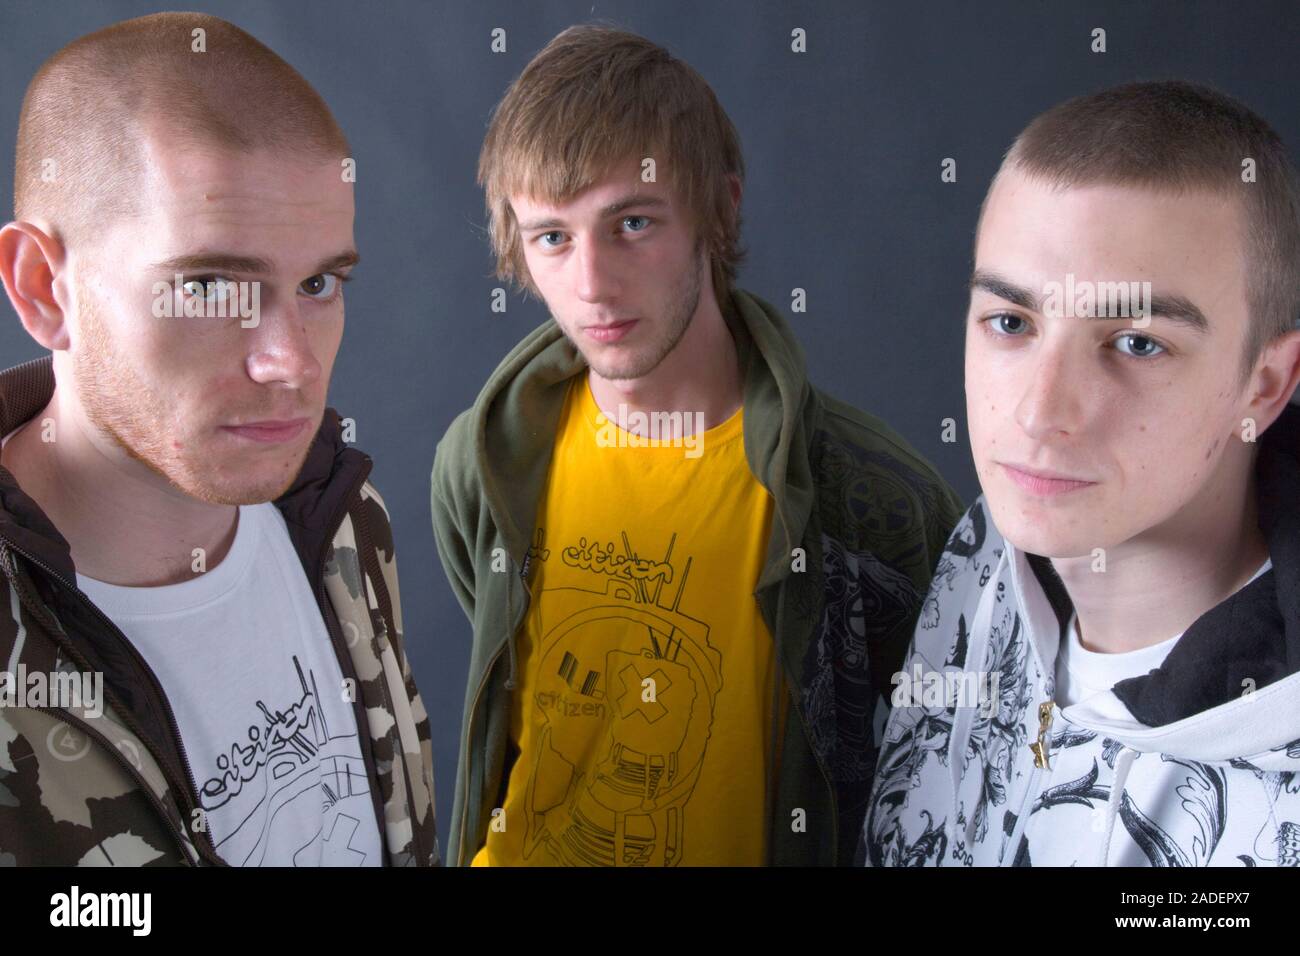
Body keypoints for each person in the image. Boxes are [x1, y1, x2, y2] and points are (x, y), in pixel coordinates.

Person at [432, 23, 963, 867]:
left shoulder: (875, 498)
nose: (592, 283)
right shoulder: (487, 461)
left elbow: (948, 778)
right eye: (552, 238)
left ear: (720, 208)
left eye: (632, 223)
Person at [0, 13, 437, 867]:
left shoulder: (343, 519)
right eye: (208, 285)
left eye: (318, 282)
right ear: (45, 288)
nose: (290, 364)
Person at [864, 80, 1300, 867]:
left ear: (1264, 385)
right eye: (1012, 323)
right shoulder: (982, 552)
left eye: (1136, 342)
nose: (1038, 414)